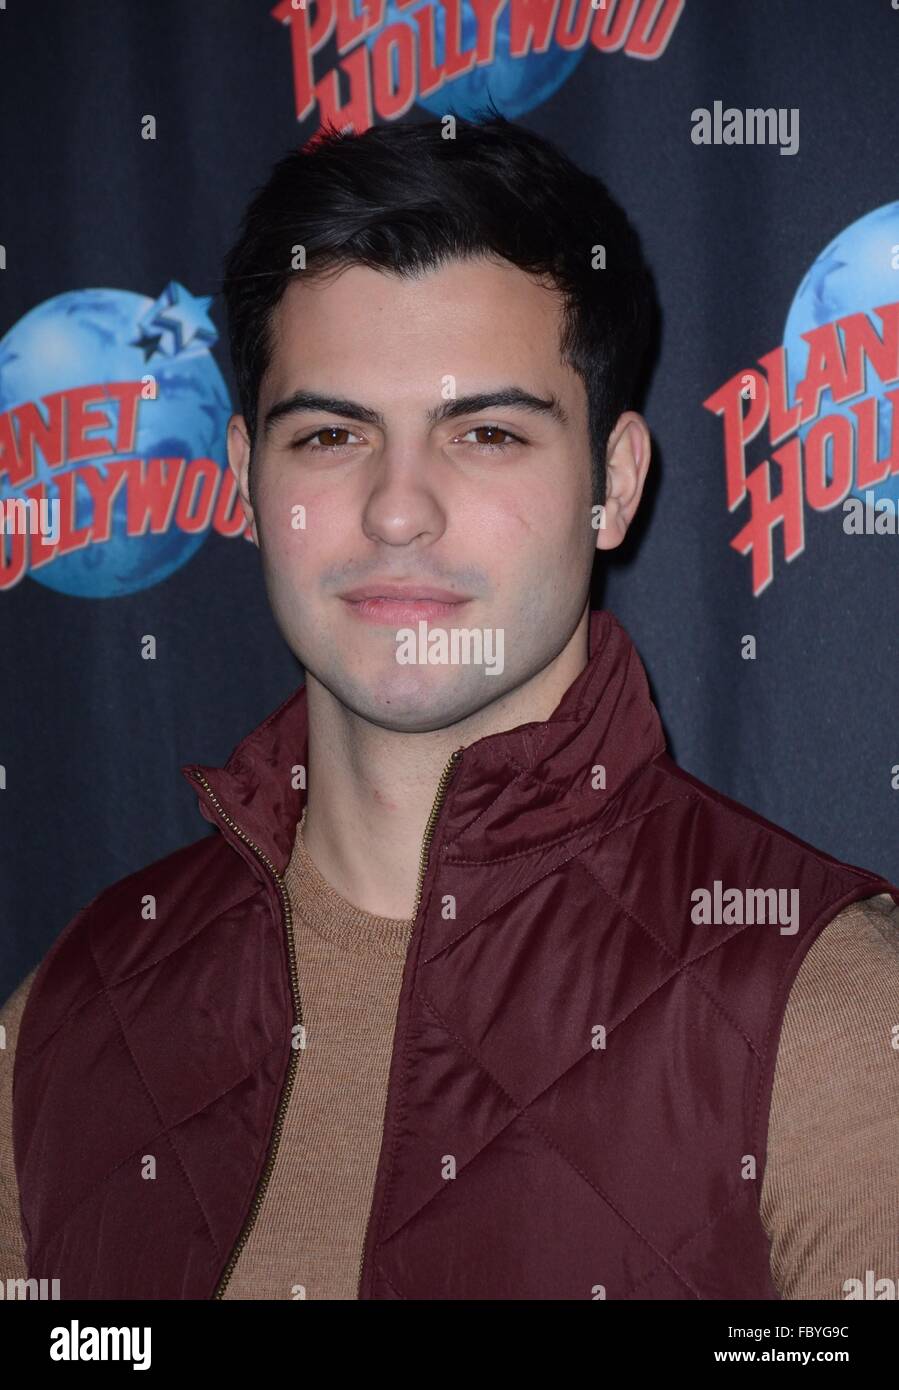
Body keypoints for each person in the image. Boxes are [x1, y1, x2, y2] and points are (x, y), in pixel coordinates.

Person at [2, 111, 897, 1302]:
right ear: (243, 483)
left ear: (612, 484)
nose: (396, 511)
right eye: (329, 434)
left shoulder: (832, 1017)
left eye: (483, 432)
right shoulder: (67, 1016)